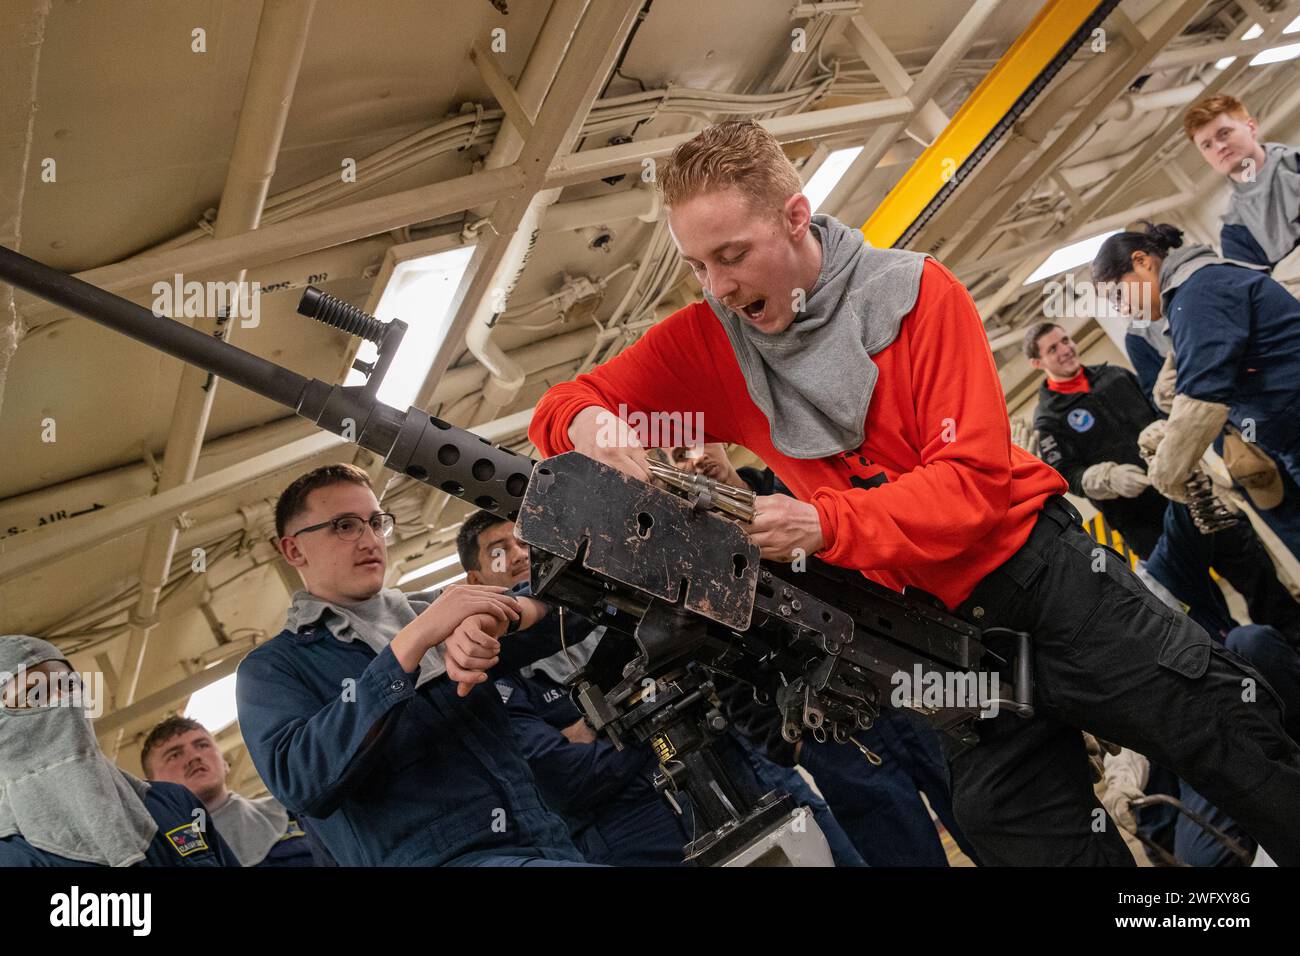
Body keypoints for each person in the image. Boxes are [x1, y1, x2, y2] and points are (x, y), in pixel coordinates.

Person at [528, 119, 1300, 866]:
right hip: (932, 634)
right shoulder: (708, 344)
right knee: (1009, 819)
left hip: (1045, 584)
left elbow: (968, 491)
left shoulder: (916, 293)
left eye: (731, 255)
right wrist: (598, 428)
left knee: (1225, 733)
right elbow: (555, 410)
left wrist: (823, 523)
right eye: (696, 266)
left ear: (797, 217)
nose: (718, 286)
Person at [235, 463, 591, 867]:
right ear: (293, 550)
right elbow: (300, 780)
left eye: (374, 522)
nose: (369, 539)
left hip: (546, 842)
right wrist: (409, 646)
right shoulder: (272, 668)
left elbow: (587, 602)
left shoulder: (437, 608)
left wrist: (504, 613)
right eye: (344, 526)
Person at [670, 443, 979, 866]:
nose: (694, 458)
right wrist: (795, 747)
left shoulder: (799, 490)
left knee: (991, 824)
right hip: (835, 739)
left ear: (721, 441)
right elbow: (726, 670)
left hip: (910, 694)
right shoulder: (701, 565)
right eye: (676, 455)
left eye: (698, 441)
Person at [1026, 321, 1300, 639]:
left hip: (1191, 495)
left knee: (1254, 570)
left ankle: (1293, 643)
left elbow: (1156, 413)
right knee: (1201, 608)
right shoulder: (1049, 420)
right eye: (1053, 348)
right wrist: (1104, 477)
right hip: (1145, 525)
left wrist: (1168, 420)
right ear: (1037, 363)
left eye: (1066, 340)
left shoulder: (1115, 375)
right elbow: (1068, 475)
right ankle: (1245, 668)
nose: (1066, 350)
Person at [1092, 222, 1300, 558]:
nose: (1123, 309)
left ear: (1143, 261)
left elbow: (1204, 397)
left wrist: (1166, 471)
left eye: (1118, 294)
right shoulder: (1194, 289)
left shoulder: (1196, 291)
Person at [0, 636, 239, 867]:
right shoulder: (12, 855)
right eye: (36, 694)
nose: (65, 701)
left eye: (70, 686)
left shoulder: (173, 801)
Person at [142, 715, 313, 867]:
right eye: (174, 755)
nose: (194, 757)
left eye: (202, 745)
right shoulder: (158, 857)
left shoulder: (293, 811)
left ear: (224, 763)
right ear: (153, 786)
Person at [1183, 93, 1300, 270]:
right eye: (1207, 145)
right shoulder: (1234, 232)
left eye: (1224, 133)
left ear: (1251, 127)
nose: (1220, 147)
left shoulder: (1296, 165)